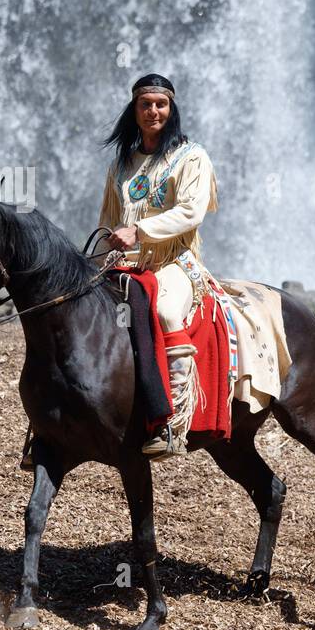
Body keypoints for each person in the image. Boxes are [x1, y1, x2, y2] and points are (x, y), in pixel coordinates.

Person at [99, 73, 219, 459]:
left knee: (166, 310)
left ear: (171, 109)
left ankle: (173, 421)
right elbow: (108, 220)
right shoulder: (121, 165)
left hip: (174, 263)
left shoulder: (192, 156)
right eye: (145, 104)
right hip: (126, 264)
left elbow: (190, 212)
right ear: (134, 111)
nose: (153, 111)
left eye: (160, 104)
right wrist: (98, 260)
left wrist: (139, 230)